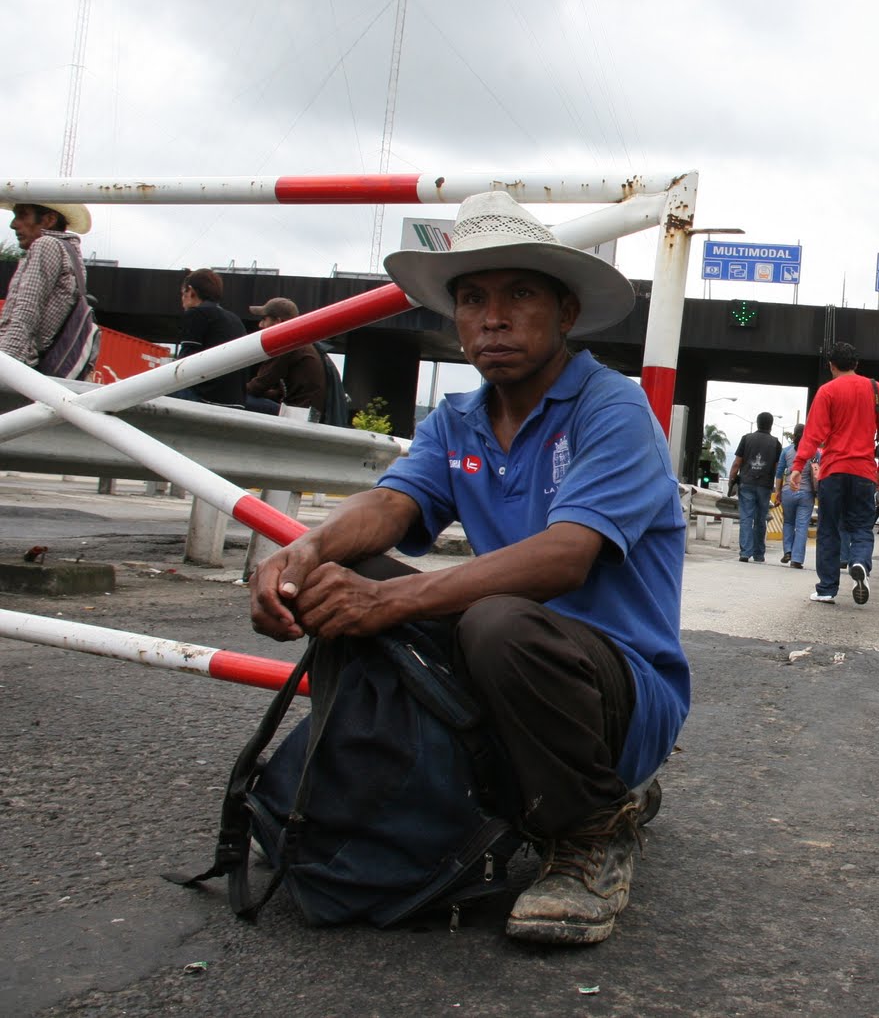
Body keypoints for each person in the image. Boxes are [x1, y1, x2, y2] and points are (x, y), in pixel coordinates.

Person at [249, 190, 688, 947]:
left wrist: (388, 602)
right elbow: (392, 505)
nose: (494, 317)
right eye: (474, 298)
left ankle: (592, 829)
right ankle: (370, 791)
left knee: (491, 621)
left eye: (520, 295)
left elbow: (565, 557)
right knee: (348, 576)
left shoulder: (610, 408)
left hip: (616, 689)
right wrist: (307, 554)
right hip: (508, 664)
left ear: (565, 312)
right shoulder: (457, 420)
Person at [791, 342, 879, 605]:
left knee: (829, 529)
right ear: (856, 364)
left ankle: (827, 589)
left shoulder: (827, 391)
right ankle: (859, 562)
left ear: (831, 365)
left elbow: (812, 434)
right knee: (861, 526)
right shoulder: (876, 389)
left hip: (833, 471)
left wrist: (798, 465)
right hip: (864, 472)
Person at [0, 200, 100, 379]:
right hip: (42, 372)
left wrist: (5, 364)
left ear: (49, 220)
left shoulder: (46, 244)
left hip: (21, 367)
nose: (13, 224)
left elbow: (26, 311)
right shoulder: (71, 253)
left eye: (22, 215)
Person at [171, 268, 248, 406]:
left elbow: (184, 365)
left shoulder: (196, 314)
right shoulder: (235, 319)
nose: (182, 299)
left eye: (183, 293)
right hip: (236, 401)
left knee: (149, 391)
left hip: (207, 398)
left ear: (191, 291)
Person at [243, 297, 327, 418]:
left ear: (277, 321)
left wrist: (232, 390)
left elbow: (258, 386)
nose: (260, 325)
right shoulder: (300, 342)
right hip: (307, 414)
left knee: (238, 400)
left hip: (297, 415)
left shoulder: (287, 344)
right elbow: (278, 393)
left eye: (264, 319)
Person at [728, 412, 782, 563]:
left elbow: (737, 463)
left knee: (746, 517)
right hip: (765, 485)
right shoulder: (776, 443)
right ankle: (759, 554)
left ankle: (745, 552)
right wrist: (778, 488)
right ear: (771, 425)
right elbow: (778, 468)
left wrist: (732, 480)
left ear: (757, 423)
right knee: (760, 519)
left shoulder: (746, 439)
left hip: (747, 483)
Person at [775, 422, 818, 569]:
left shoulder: (786, 451)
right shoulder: (814, 453)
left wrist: (778, 492)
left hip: (788, 491)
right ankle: (797, 559)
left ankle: (788, 551)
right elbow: (817, 473)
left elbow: (779, 473)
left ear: (793, 436)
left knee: (788, 522)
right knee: (802, 526)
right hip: (806, 494)